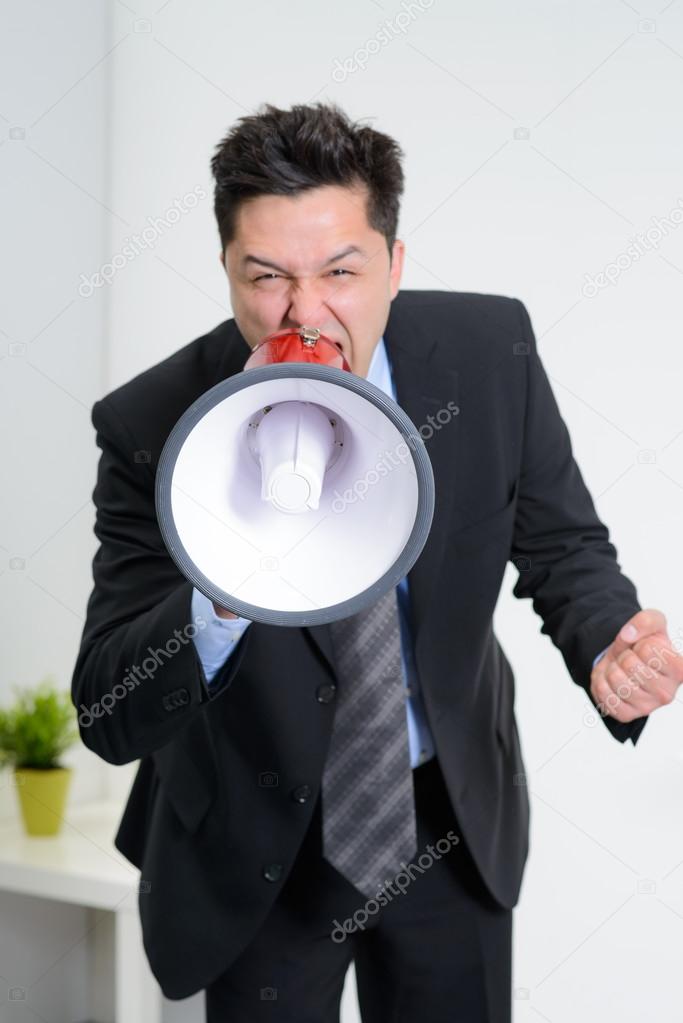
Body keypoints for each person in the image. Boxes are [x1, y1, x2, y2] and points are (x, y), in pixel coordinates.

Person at [72, 102, 683, 1023]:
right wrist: (223, 589)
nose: (305, 312)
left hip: (446, 824)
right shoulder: (150, 427)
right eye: (266, 276)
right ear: (228, 271)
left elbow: (562, 545)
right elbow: (108, 709)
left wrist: (605, 643)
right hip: (258, 848)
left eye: (341, 273)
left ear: (393, 265)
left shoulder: (488, 354)